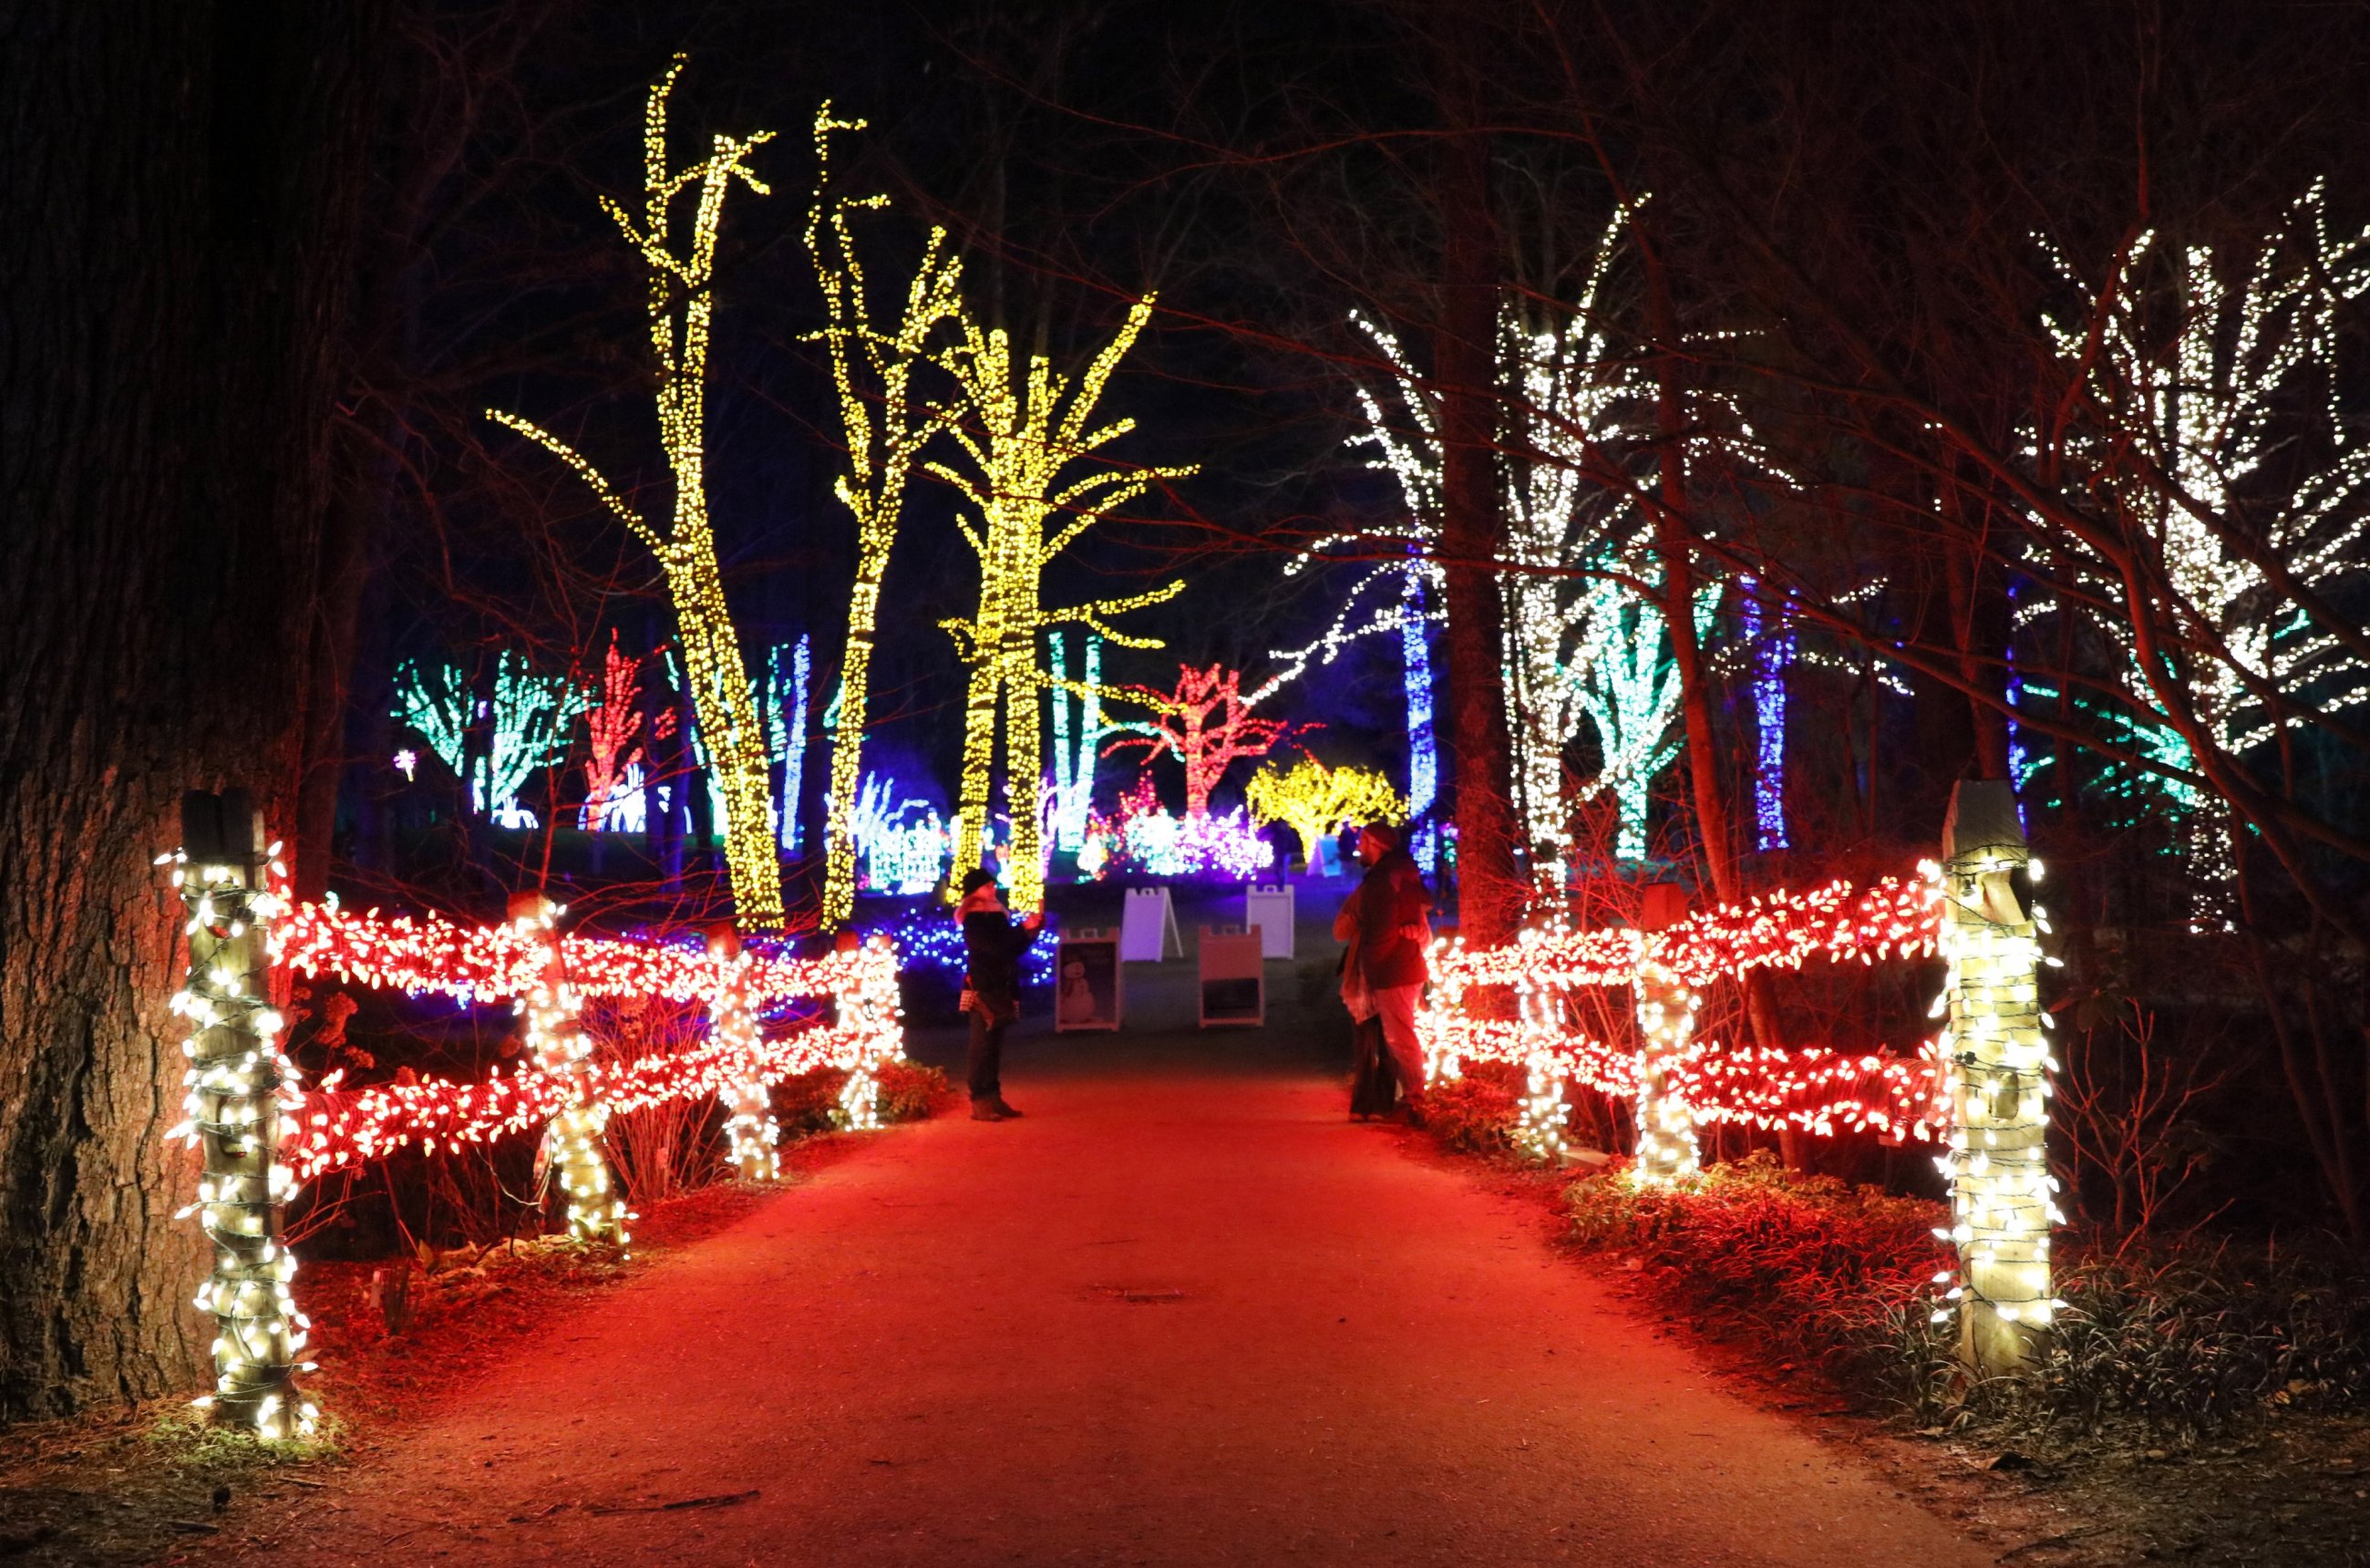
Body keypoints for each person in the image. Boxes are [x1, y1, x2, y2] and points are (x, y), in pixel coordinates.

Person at [1333, 820, 1432, 1119]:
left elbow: (1367, 930)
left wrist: (1375, 960)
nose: (1359, 846)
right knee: (1394, 1037)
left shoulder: (1380, 883)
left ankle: (1415, 1101)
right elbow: (1421, 931)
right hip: (1398, 969)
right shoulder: (1403, 878)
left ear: (1376, 845)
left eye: (1363, 841)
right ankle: (1393, 1102)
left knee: (1397, 1038)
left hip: (1389, 972)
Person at [957, 867, 1043, 1120]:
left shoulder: (997, 915)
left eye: (993, 884)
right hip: (982, 987)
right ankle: (979, 1099)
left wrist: (1030, 932)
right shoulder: (973, 918)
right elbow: (993, 948)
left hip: (1001, 984)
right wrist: (1022, 929)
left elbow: (1010, 949)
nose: (993, 889)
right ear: (975, 891)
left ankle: (993, 1096)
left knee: (994, 1045)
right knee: (982, 1045)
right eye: (987, 885)